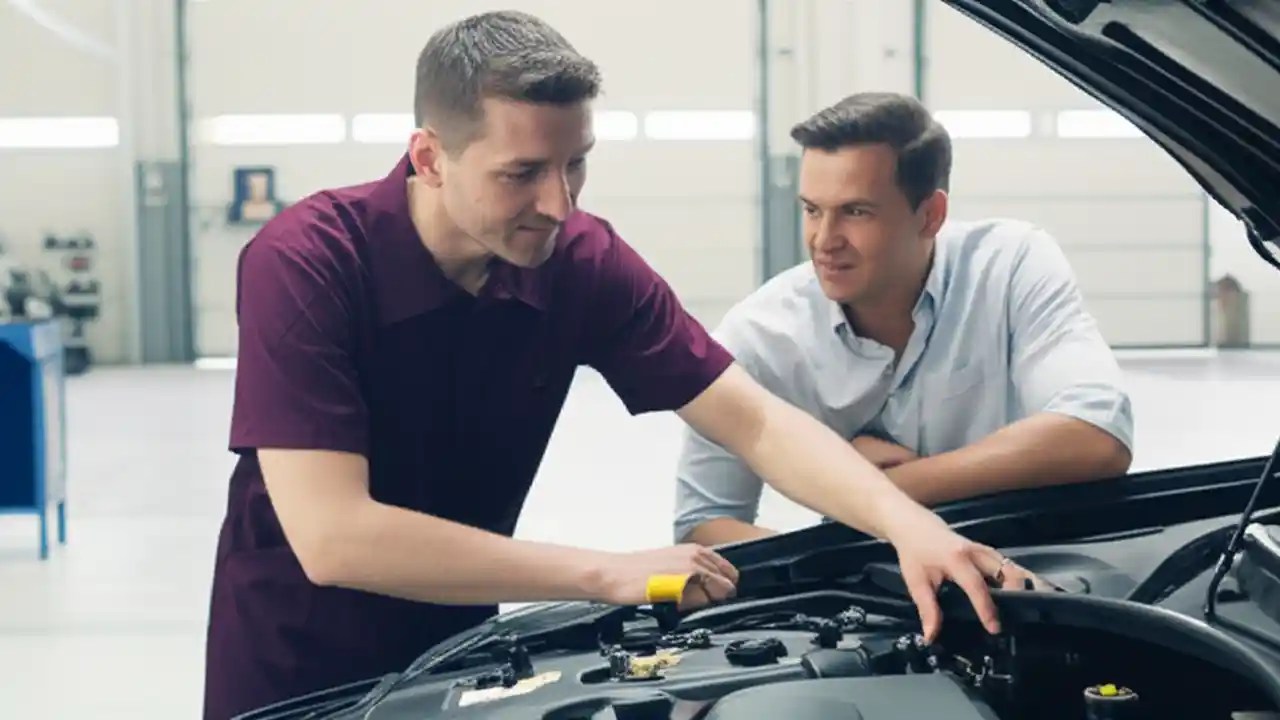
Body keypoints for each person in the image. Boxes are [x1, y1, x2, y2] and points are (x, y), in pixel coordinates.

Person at [202, 16, 1037, 720]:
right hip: (296, 665)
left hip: (460, 645)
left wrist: (910, 527)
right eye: (522, 174)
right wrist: (608, 574)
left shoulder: (579, 261)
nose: (559, 202)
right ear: (429, 157)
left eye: (576, 163)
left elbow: (752, 420)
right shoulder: (307, 263)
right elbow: (336, 537)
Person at [673, 91, 1135, 548]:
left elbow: (1096, 435)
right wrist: (842, 550)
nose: (824, 240)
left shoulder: (1011, 266)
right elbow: (703, 525)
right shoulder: (759, 336)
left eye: (856, 212)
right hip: (864, 588)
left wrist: (873, 492)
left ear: (930, 215)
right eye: (812, 210)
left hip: (1027, 563)